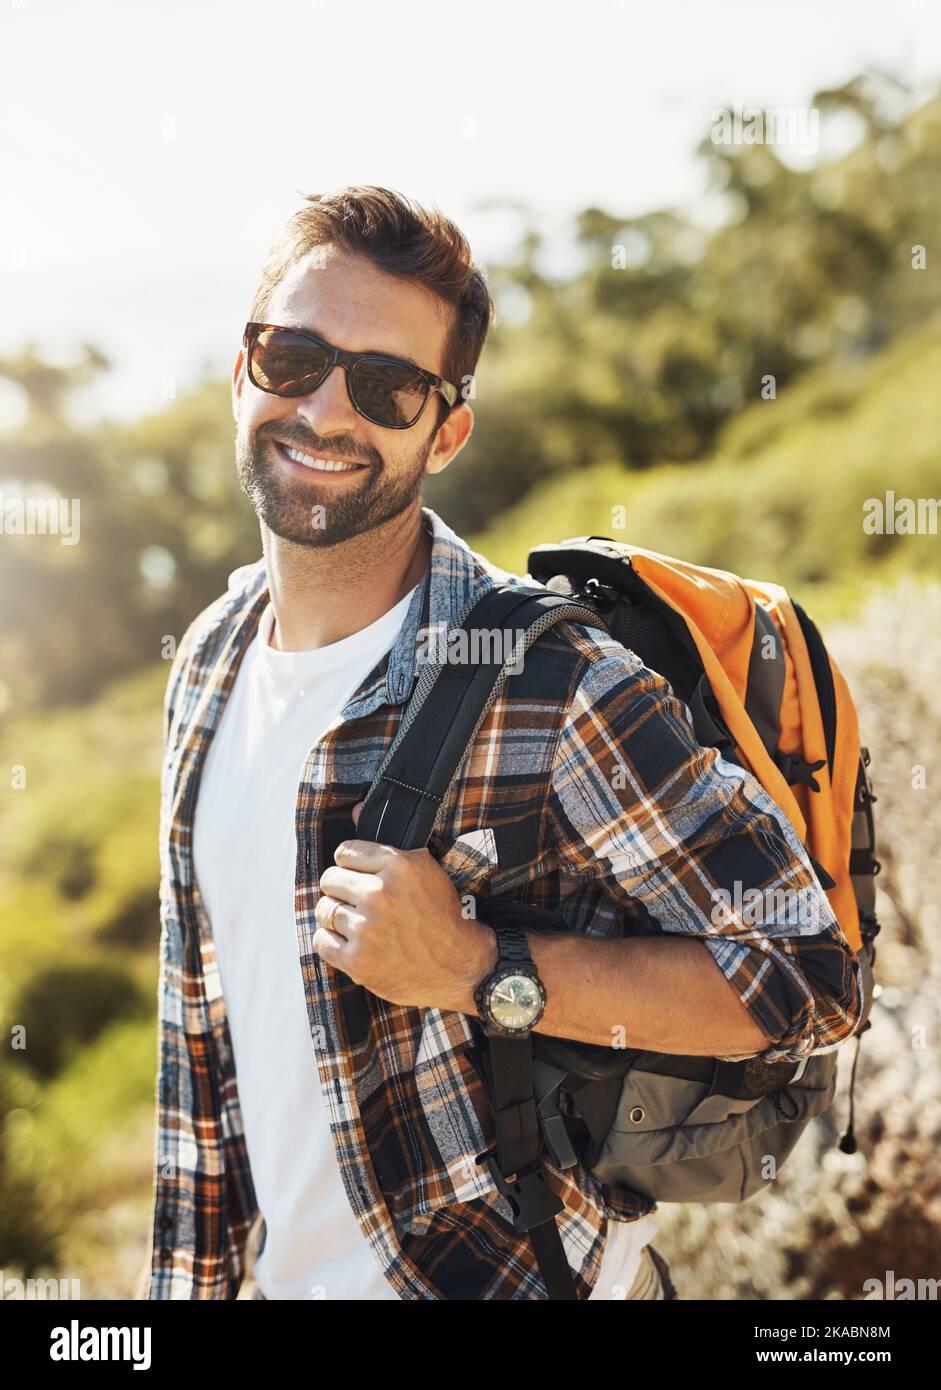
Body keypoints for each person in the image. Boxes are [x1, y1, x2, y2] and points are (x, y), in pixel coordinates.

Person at [143, 186, 862, 1301]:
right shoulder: (206, 664)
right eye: (294, 358)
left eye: (387, 386)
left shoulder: (550, 684)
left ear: (445, 431)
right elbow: (199, 1069)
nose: (328, 411)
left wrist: (483, 969)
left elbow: (805, 979)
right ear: (243, 371)